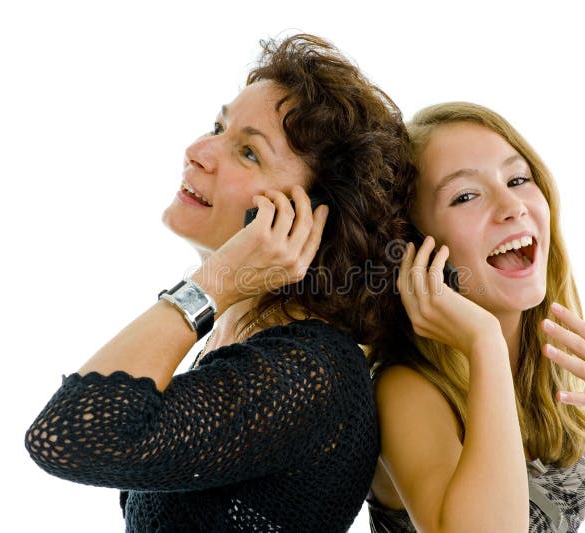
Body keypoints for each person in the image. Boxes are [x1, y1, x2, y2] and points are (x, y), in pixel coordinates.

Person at [25, 34, 414, 532]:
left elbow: (70, 435)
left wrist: (215, 282)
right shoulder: (236, 343)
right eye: (218, 127)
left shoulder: (313, 370)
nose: (198, 151)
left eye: (248, 152)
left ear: (308, 219)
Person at [366, 102, 585, 532]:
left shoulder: (549, 370)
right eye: (466, 196)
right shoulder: (404, 388)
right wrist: (484, 342)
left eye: (518, 179)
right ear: (414, 248)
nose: (512, 205)